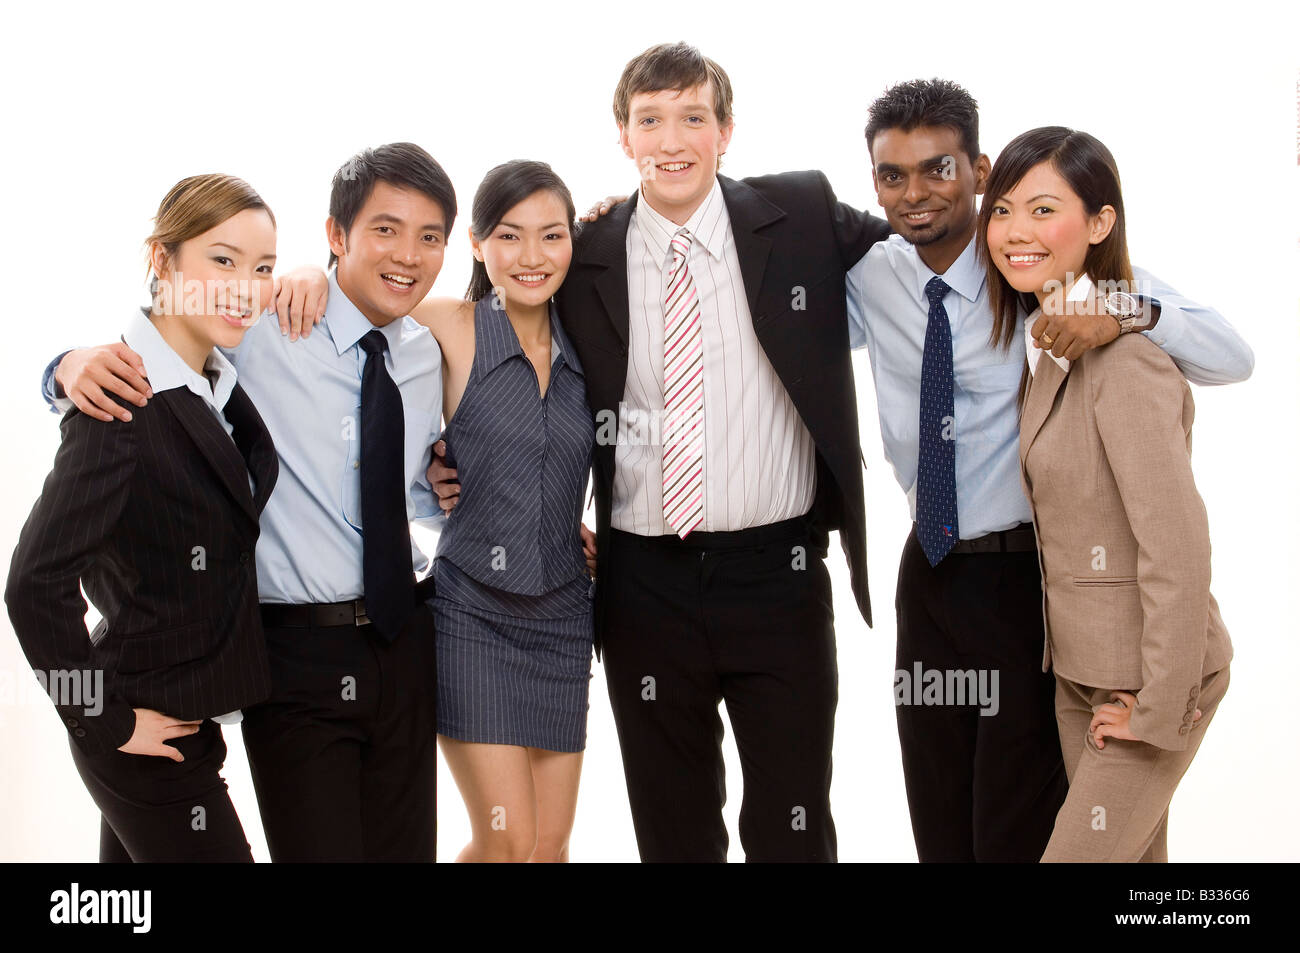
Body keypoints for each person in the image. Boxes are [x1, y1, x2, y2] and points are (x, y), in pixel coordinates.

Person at [848, 80, 1253, 862]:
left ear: (978, 169)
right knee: (942, 822)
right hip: (927, 570)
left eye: (940, 169)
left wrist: (1127, 309)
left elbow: (1232, 355)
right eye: (892, 175)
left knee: (1020, 829)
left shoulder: (1056, 283)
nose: (917, 192)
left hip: (1025, 583)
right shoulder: (872, 275)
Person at [41, 143, 453, 862]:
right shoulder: (261, 330)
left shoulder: (426, 351)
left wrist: (460, 492)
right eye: (385, 229)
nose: (407, 255)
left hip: (405, 636)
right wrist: (64, 367)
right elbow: (155, 351)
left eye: (430, 237)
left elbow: (413, 481)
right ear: (335, 236)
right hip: (293, 650)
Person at [541, 42, 889, 862]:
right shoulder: (582, 251)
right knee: (674, 827)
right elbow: (488, 316)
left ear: (725, 131)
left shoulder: (799, 213)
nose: (671, 139)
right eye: (650, 119)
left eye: (693, 117)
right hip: (642, 583)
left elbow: (930, 249)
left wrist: (1099, 288)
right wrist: (316, 276)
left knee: (793, 820)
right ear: (622, 136)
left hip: (780, 576)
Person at [284, 160, 598, 862]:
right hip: (472, 614)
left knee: (548, 847)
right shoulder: (450, 325)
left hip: (564, 614)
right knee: (505, 838)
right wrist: (304, 271)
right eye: (509, 237)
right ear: (479, 245)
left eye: (552, 236)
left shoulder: (591, 339)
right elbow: (360, 295)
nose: (531, 257)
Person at [6, 174, 280, 862]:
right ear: (163, 260)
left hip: (180, 721)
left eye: (264, 267)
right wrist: (103, 719)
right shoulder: (121, 403)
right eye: (223, 259)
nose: (246, 286)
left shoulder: (210, 380)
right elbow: (33, 584)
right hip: (141, 731)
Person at [979, 126, 1233, 861]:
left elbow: (1177, 544)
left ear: (1099, 224)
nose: (1016, 231)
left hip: (1151, 679)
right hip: (1083, 674)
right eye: (1002, 210)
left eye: (1043, 209)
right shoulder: (1047, 342)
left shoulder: (1124, 361)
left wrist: (1158, 707)